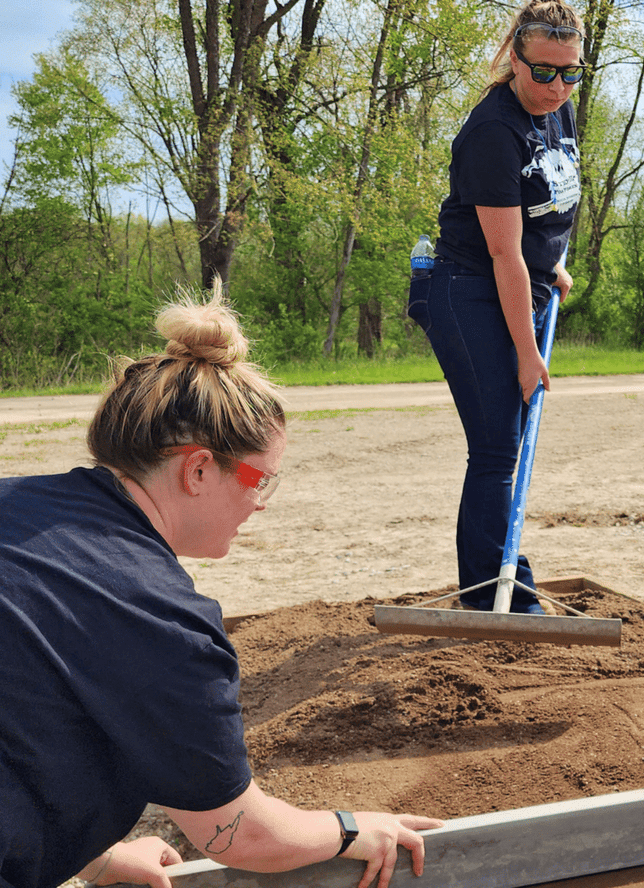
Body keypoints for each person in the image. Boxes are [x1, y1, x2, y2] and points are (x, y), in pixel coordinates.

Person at [0, 284, 442, 888]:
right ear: (199, 467)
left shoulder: (16, 508)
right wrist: (350, 828)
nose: (261, 505)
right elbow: (243, 835)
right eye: (262, 480)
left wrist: (91, 855)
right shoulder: (158, 618)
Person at [408, 0, 585, 614]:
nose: (556, 86)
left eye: (569, 73)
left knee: (503, 446)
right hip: (467, 292)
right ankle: (491, 597)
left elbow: (547, 205)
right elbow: (503, 255)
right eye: (543, 71)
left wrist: (554, 263)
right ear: (515, 59)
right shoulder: (492, 132)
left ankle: (504, 586)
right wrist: (527, 350)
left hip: (521, 286)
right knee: (496, 449)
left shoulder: (556, 113)